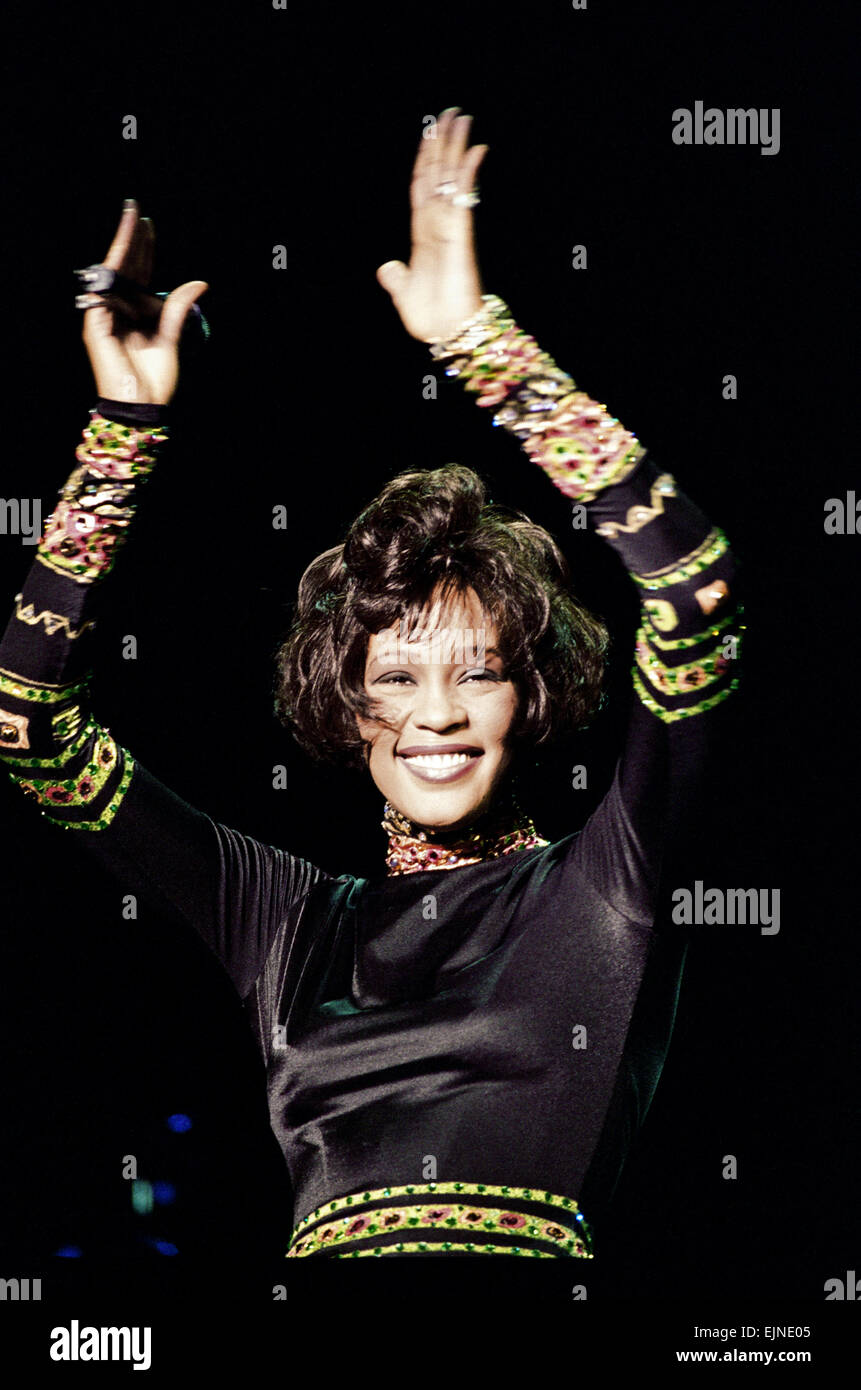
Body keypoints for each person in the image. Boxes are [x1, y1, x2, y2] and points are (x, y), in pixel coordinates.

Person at [0, 107, 740, 1263]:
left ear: (531, 695)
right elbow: (33, 733)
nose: (436, 713)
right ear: (348, 706)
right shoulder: (285, 920)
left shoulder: (612, 882)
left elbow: (694, 590)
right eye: (397, 675)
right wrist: (124, 430)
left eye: (479, 672)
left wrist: (481, 346)